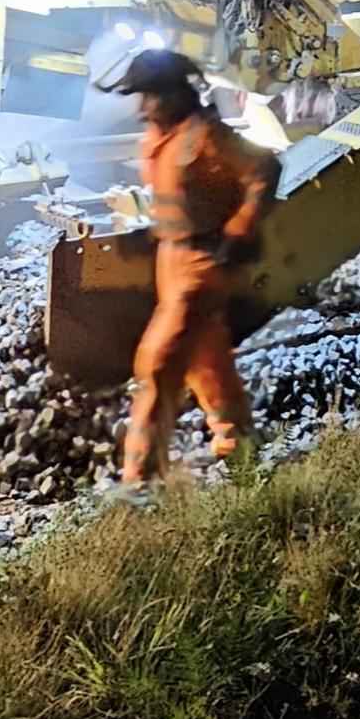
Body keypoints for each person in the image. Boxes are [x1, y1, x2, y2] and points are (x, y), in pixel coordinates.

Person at [98, 45, 276, 486]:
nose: (142, 106)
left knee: (157, 365)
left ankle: (140, 481)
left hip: (201, 262)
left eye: (149, 95)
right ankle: (240, 448)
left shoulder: (206, 135)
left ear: (174, 94)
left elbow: (265, 170)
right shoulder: (160, 137)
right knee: (206, 359)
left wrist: (238, 232)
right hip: (170, 258)